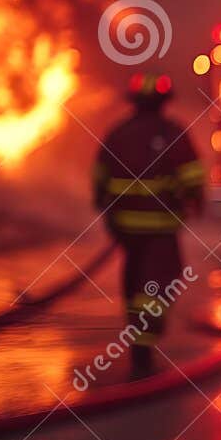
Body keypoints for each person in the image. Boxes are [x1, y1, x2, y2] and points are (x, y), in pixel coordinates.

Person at [92, 72, 204, 377]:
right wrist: (196, 201)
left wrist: (111, 216)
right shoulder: (173, 134)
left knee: (134, 281)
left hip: (127, 231)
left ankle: (139, 348)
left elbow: (99, 181)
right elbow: (193, 177)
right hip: (161, 229)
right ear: (164, 101)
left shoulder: (118, 133)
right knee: (162, 281)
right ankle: (143, 351)